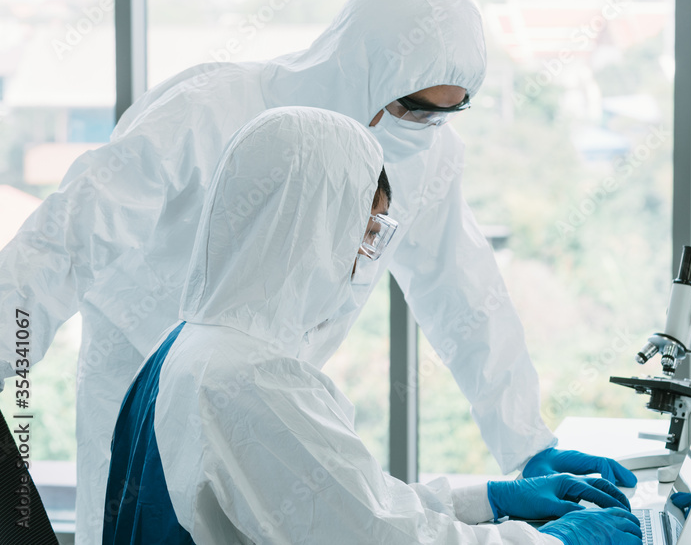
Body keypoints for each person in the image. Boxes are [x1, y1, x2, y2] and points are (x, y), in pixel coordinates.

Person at [0, 0, 635, 543]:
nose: (424, 129)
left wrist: (521, 450)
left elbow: (464, 293)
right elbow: (64, 242)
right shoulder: (209, 112)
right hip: (154, 373)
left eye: (448, 113)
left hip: (244, 374)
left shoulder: (423, 150)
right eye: (414, 106)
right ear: (362, 69)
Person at [102, 107, 641, 545]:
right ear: (307, 229)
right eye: (364, 231)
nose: (364, 257)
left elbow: (352, 504)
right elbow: (377, 538)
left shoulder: (188, 344)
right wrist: (558, 543)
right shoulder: (250, 380)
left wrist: (490, 499)